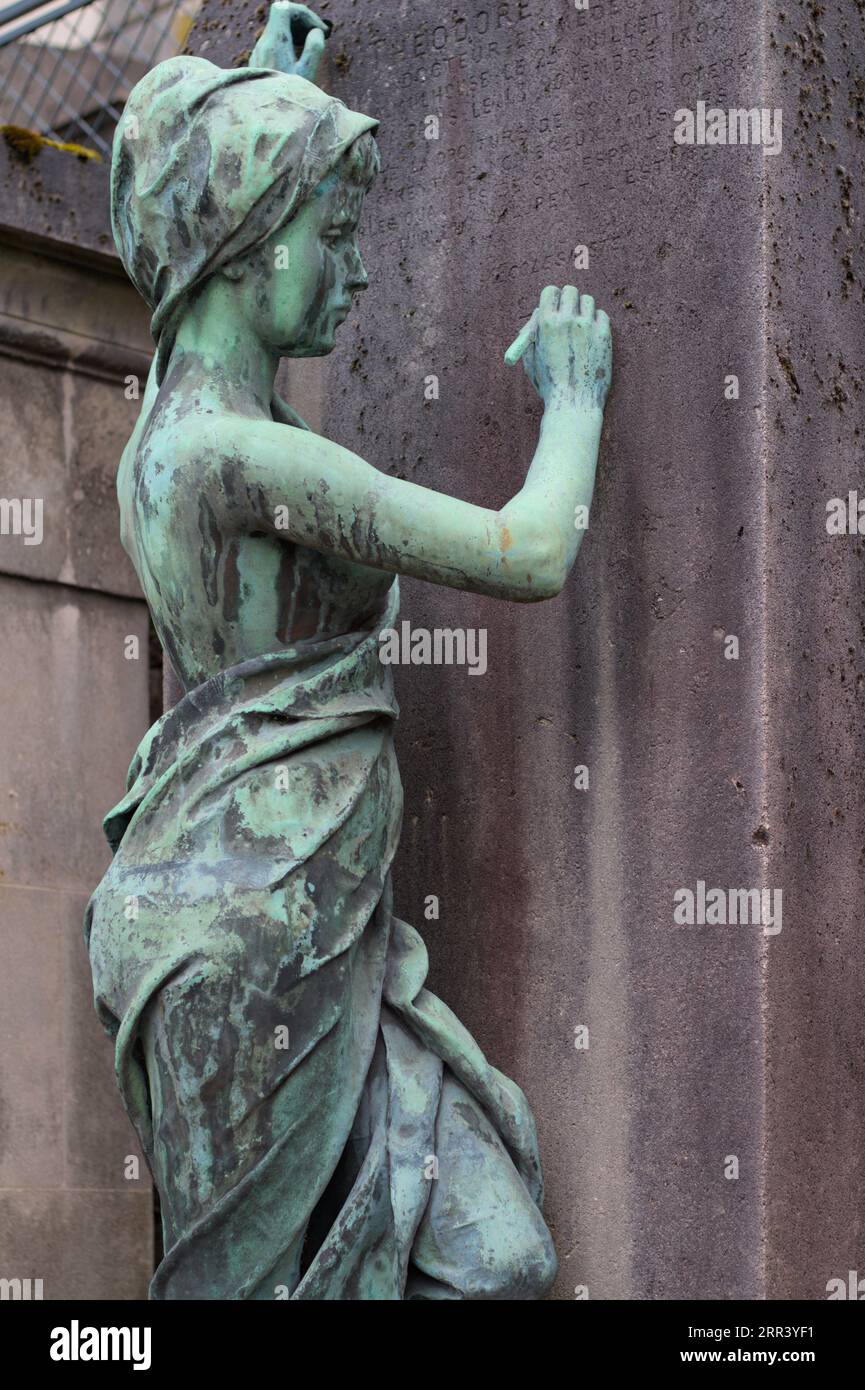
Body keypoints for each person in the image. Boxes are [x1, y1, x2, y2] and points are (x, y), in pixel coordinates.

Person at [85, 2, 612, 1299]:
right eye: (333, 237)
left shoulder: (179, 412)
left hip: (305, 917)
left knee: (499, 1255)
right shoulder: (245, 457)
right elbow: (530, 550)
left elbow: (194, 243)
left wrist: (264, 95)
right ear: (252, 242)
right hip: (252, 935)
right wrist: (577, 396)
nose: (359, 272)